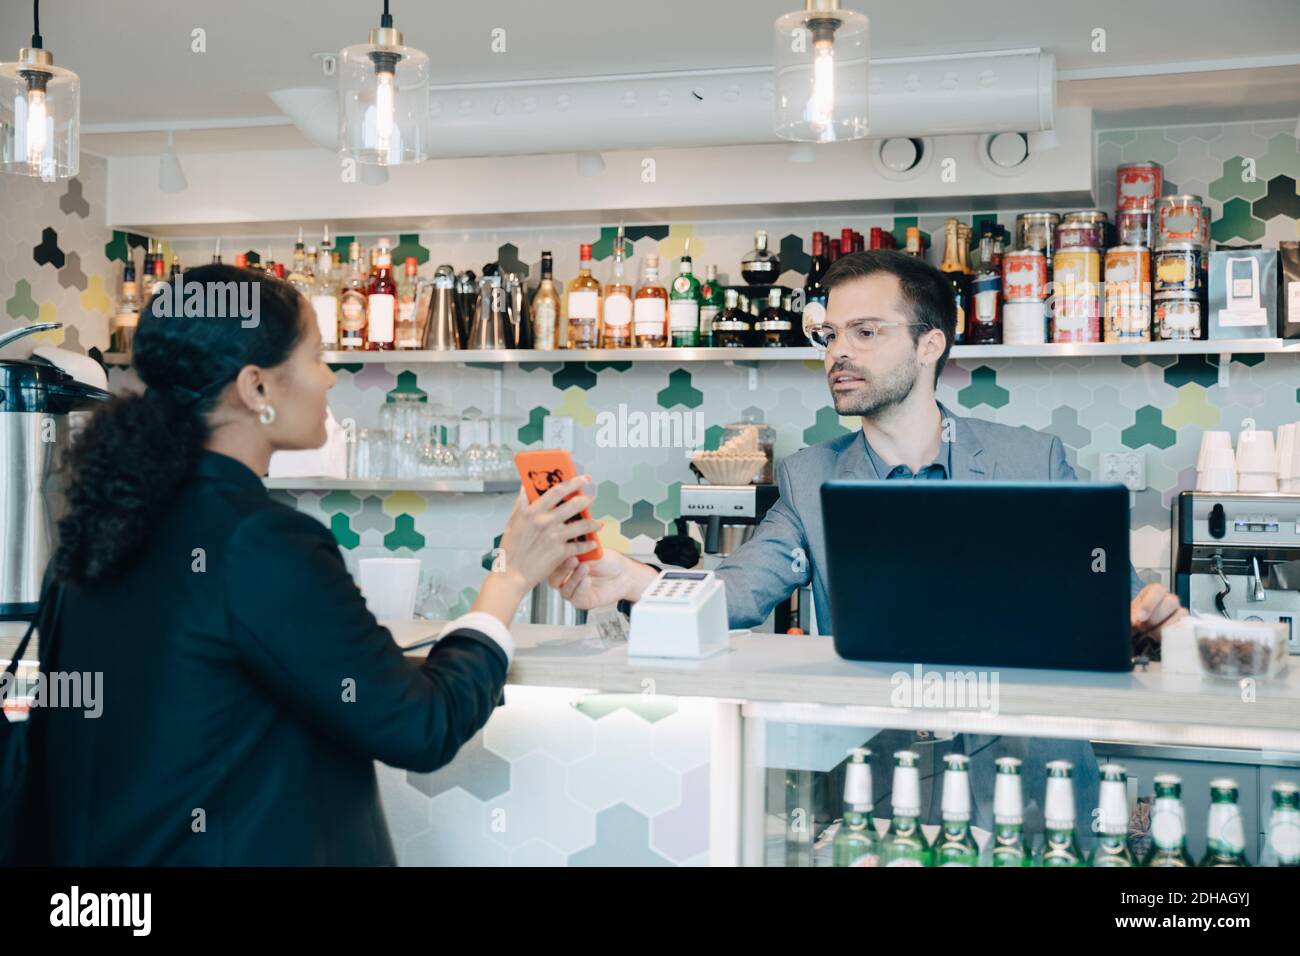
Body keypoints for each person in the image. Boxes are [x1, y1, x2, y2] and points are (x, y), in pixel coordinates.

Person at [548, 249, 1187, 838]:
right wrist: (635, 580)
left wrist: (1152, 621)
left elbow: (1116, 594)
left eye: (866, 332)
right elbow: (742, 586)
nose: (837, 353)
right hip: (884, 784)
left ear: (930, 344)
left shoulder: (1033, 457)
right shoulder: (809, 476)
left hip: (1029, 775)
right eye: (830, 335)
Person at [29, 264, 599, 865]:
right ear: (257, 389)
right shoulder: (260, 539)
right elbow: (420, 725)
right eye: (317, 356)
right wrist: (508, 578)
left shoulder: (98, 520)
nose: (330, 378)